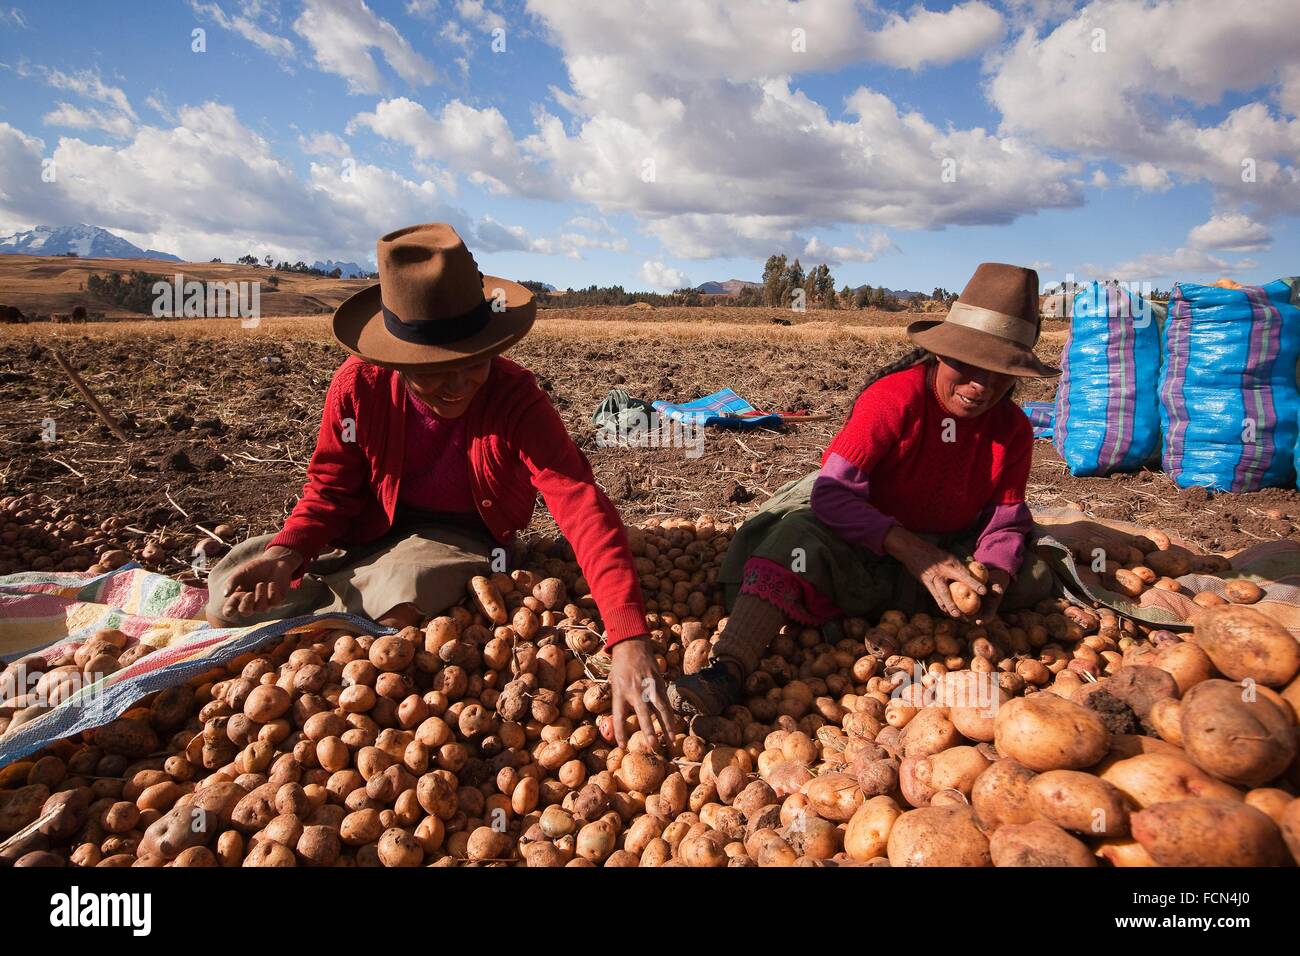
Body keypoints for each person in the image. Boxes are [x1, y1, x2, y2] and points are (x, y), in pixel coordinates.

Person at [205, 223, 672, 746]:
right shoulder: (358, 386)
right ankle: (321, 604)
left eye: (473, 363)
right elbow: (330, 489)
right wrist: (289, 553)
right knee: (231, 587)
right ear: (397, 361)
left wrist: (627, 635)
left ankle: (327, 621)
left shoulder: (515, 398)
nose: (459, 384)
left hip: (462, 538)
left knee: (406, 588)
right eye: (435, 371)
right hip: (371, 533)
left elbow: (579, 502)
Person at [668, 262, 1061, 717]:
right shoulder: (895, 399)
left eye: (1000, 372)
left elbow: (1006, 519)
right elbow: (832, 496)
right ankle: (729, 668)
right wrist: (910, 549)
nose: (980, 386)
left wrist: (993, 576)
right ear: (941, 353)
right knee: (793, 541)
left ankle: (853, 617)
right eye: (967, 365)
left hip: (949, 549)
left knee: (1032, 576)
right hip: (862, 541)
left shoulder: (1012, 430)